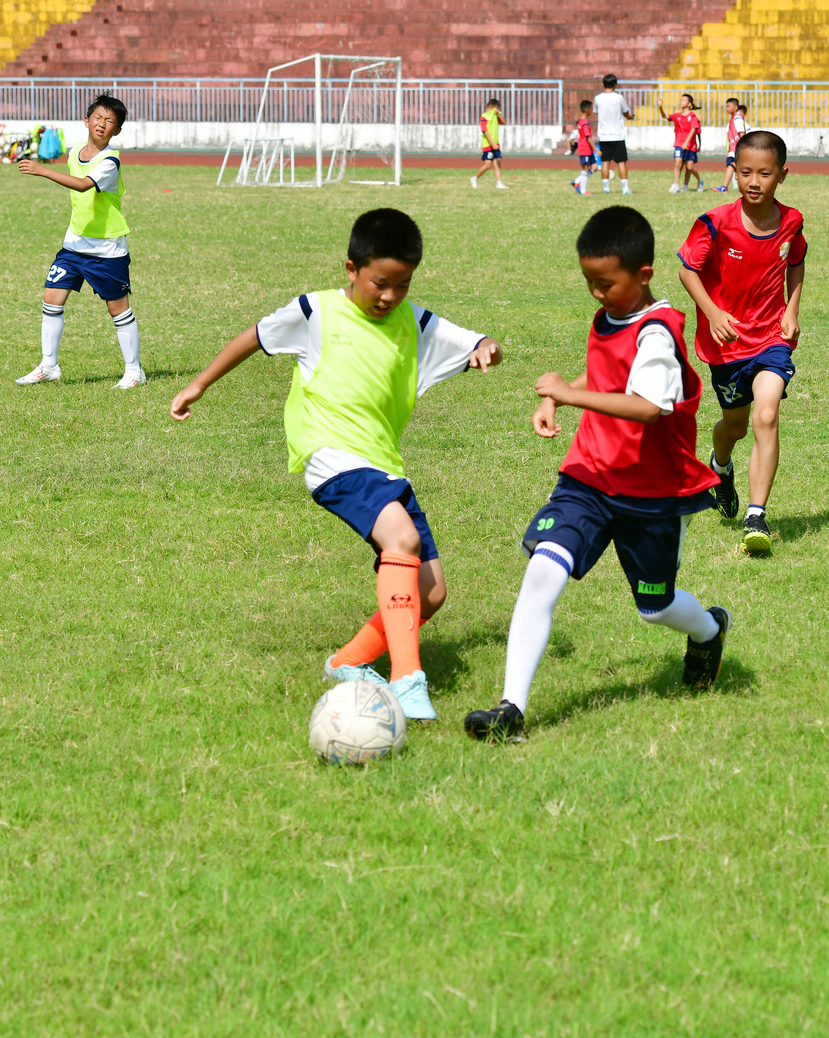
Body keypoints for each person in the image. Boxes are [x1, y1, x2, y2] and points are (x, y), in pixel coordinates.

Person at [170, 208, 502, 721]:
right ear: (351, 268)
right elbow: (255, 336)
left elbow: (476, 342)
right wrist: (199, 384)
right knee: (402, 540)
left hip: (385, 465)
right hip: (331, 458)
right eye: (380, 284)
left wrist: (486, 349)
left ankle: (348, 662)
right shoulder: (316, 312)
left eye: (403, 285)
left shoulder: (415, 321)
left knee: (430, 591)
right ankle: (407, 679)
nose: (390, 296)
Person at [464, 206, 728, 741]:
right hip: (588, 476)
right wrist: (559, 398)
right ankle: (511, 708)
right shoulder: (611, 316)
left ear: (643, 275)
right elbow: (607, 376)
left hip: (651, 493)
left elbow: (647, 405)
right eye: (589, 282)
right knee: (544, 570)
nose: (596, 293)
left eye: (605, 283)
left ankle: (708, 630)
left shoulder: (658, 333)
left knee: (654, 607)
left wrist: (568, 393)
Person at [677, 130, 806, 554]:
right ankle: (720, 466)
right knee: (734, 426)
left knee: (766, 415)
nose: (753, 181)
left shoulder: (791, 221)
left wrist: (791, 309)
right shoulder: (715, 222)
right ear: (734, 171)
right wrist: (713, 313)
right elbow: (687, 270)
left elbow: (796, 261)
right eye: (745, 172)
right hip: (727, 344)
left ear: (782, 175)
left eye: (764, 174)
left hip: (771, 338)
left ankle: (756, 515)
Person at [15, 93, 144, 390]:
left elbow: (85, 186)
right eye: (98, 117)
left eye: (110, 121)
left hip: (107, 250)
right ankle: (49, 366)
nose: (102, 123)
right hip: (73, 246)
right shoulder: (75, 152)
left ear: (117, 130)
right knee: (51, 299)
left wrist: (42, 170)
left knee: (118, 310)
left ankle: (134, 371)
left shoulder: (110, 161)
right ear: (86, 120)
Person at [592, 73, 634, 195]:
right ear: (615, 84)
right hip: (617, 135)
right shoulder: (618, 98)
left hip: (604, 135)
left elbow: (596, 113)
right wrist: (630, 117)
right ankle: (625, 188)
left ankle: (606, 188)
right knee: (621, 162)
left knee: (605, 162)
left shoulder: (598, 98)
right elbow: (626, 113)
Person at [658, 93, 703, 194]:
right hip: (679, 144)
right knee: (678, 162)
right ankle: (676, 185)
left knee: (689, 167)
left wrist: (694, 144)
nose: (681, 102)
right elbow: (665, 116)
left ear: (690, 104)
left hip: (691, 145)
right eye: (680, 100)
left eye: (684, 100)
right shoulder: (677, 115)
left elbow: (694, 130)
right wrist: (660, 107)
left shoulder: (693, 117)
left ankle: (698, 181)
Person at [471, 98, 508, 190]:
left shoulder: (495, 116)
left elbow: (504, 122)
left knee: (497, 163)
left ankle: (499, 183)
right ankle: (475, 178)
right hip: (488, 144)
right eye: (497, 108)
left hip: (495, 143)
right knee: (488, 165)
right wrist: (492, 143)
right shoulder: (484, 117)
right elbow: (485, 131)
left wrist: (498, 114)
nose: (497, 110)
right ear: (491, 107)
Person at [713, 97, 746, 194]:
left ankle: (725, 187)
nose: (727, 108)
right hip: (733, 149)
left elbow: (742, 134)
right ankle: (731, 187)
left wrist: (742, 147)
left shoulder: (737, 119)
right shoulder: (733, 119)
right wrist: (728, 150)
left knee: (732, 166)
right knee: (734, 167)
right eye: (726, 106)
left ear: (736, 107)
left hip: (737, 149)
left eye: (729, 106)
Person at [573, 99, 598, 196]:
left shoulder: (581, 121)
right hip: (585, 149)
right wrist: (596, 149)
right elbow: (588, 138)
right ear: (587, 110)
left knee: (595, 167)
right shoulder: (584, 123)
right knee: (585, 169)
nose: (592, 111)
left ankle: (577, 181)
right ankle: (584, 191)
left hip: (587, 149)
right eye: (591, 109)